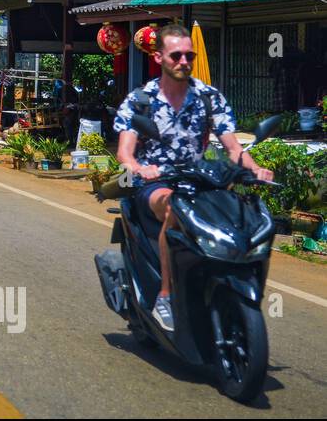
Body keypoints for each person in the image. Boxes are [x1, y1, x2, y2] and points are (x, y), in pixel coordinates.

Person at [113, 23, 272, 333]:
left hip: (200, 182)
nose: (184, 62)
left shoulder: (208, 97)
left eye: (189, 55)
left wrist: (254, 168)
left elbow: (233, 147)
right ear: (159, 57)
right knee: (175, 210)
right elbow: (125, 154)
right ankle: (165, 297)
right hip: (156, 184)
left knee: (243, 213)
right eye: (176, 56)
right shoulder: (140, 101)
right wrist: (139, 168)